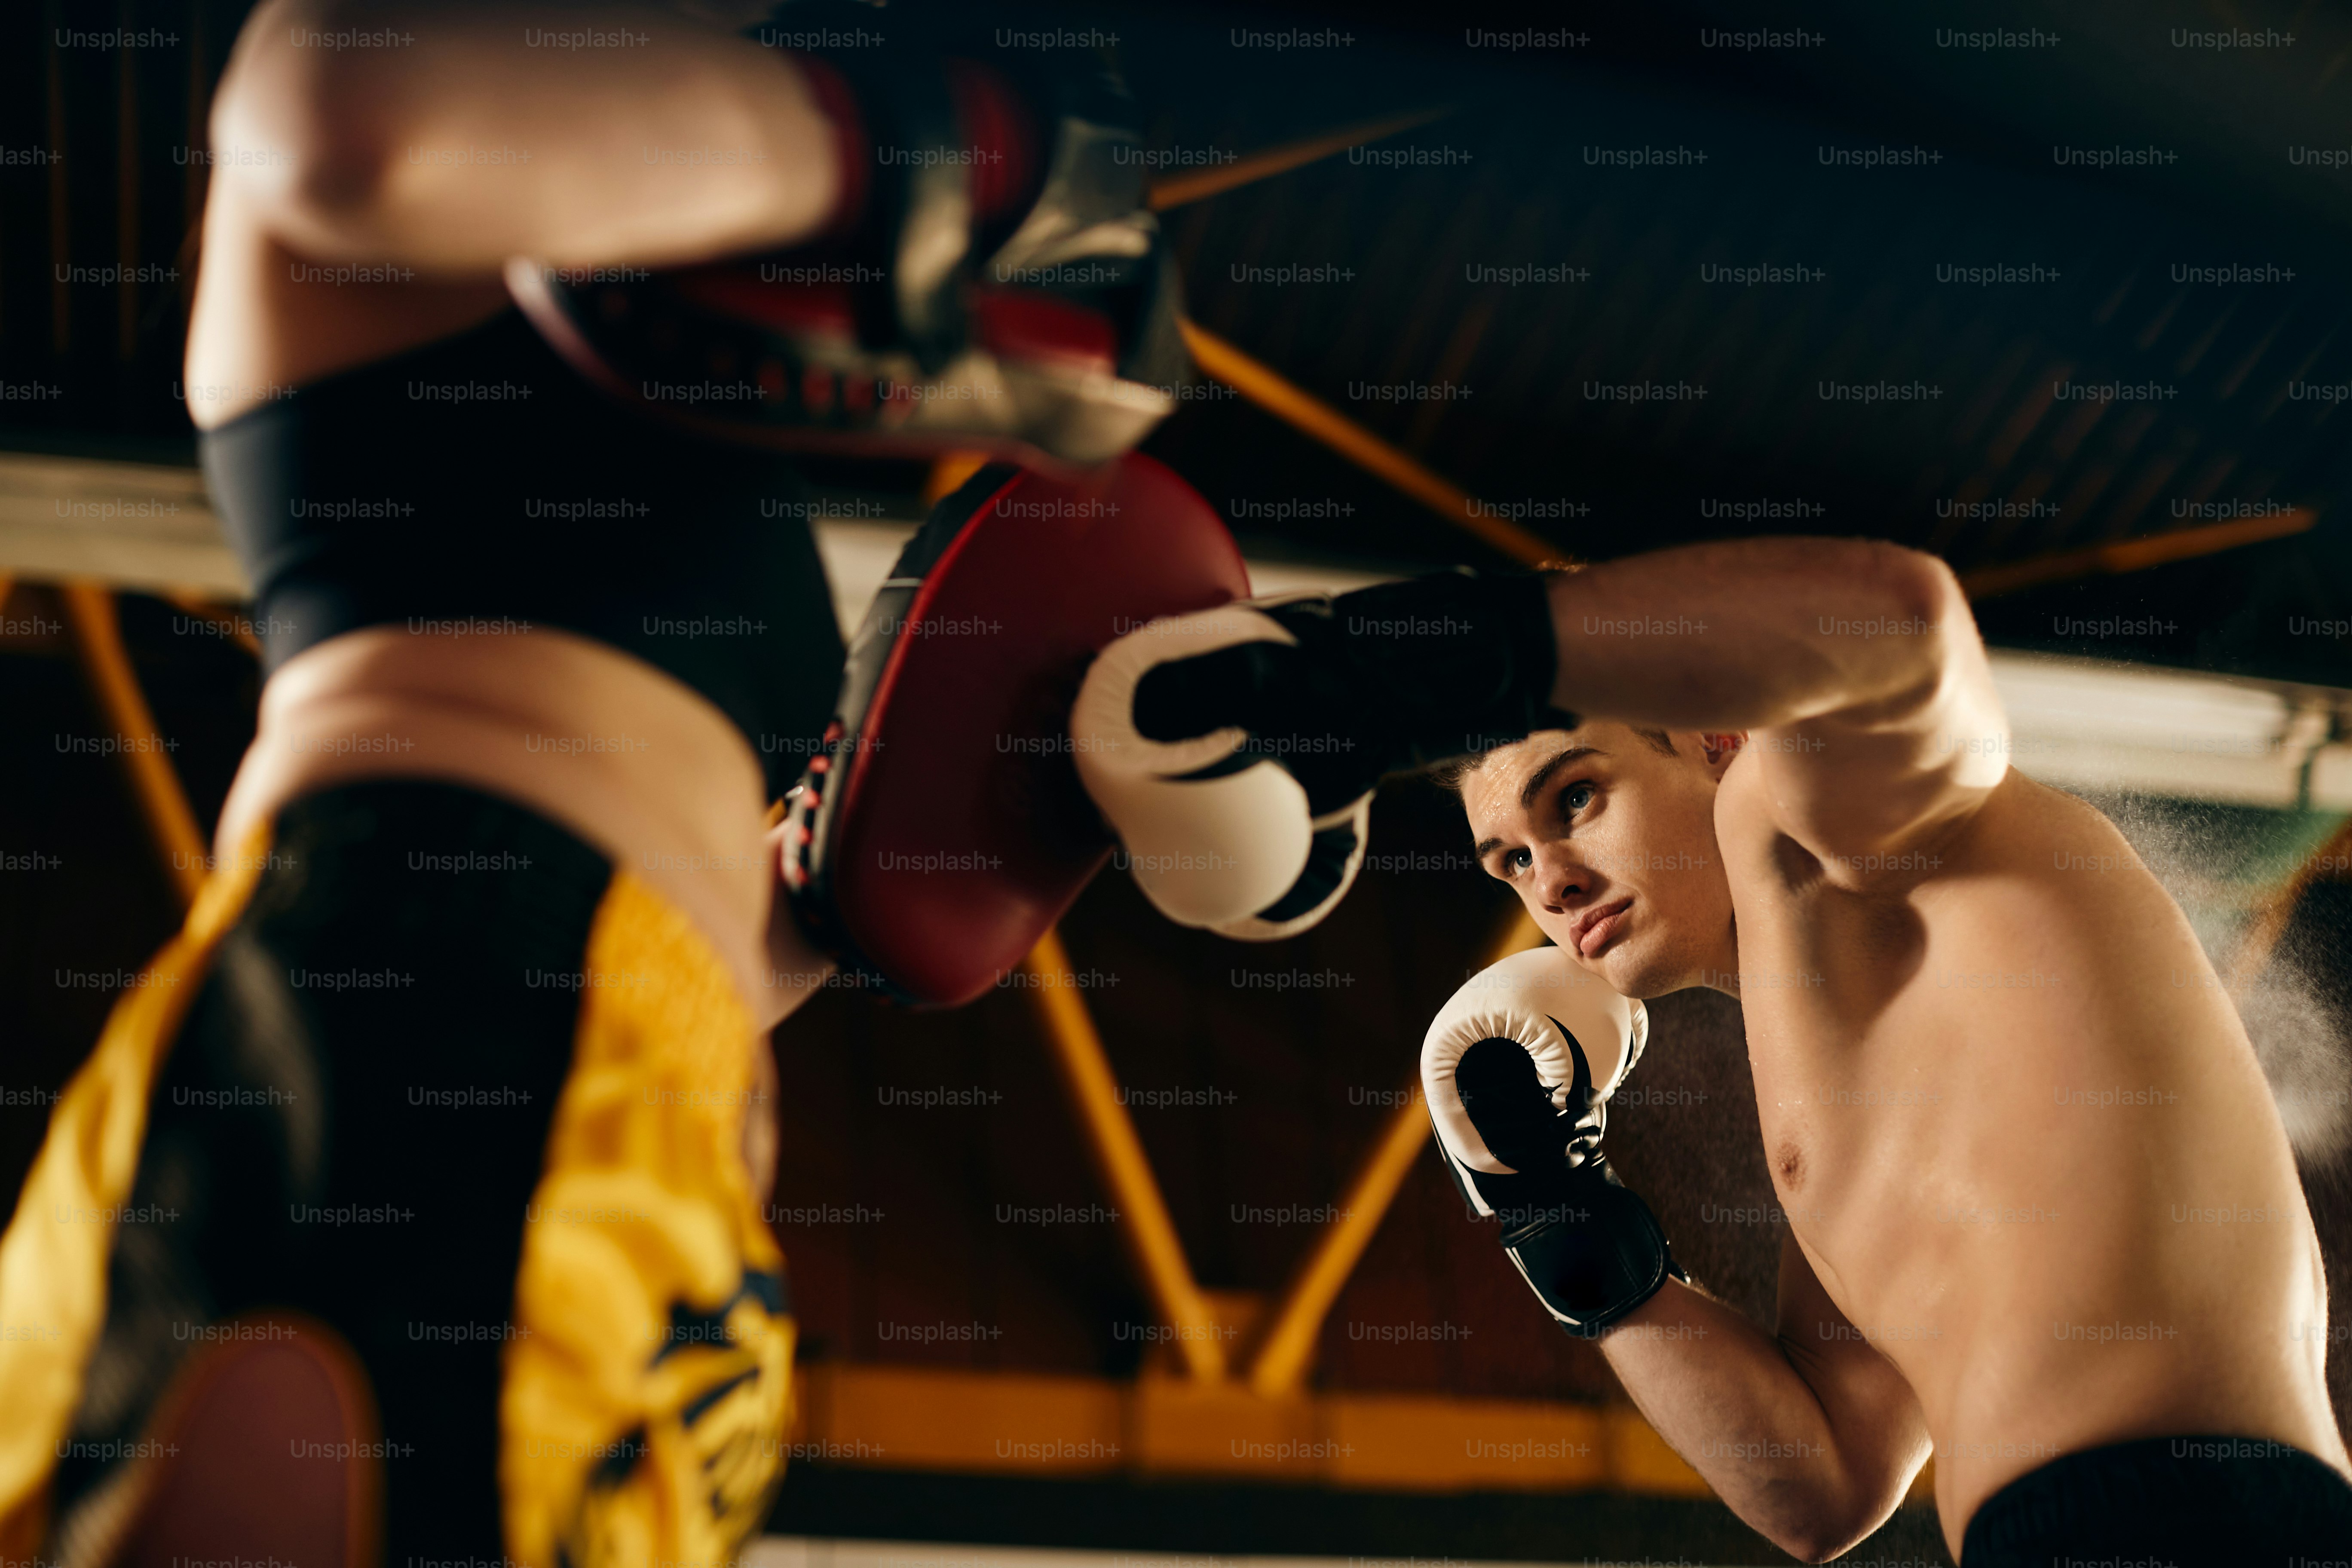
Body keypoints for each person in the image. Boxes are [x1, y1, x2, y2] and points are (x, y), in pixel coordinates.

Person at [0, 0, 1179, 1560]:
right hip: (604, 1181)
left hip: (434, 972)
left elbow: (337, 124)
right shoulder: (545, 264)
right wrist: (930, 861)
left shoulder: (405, 304)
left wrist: (950, 148)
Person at [1078, 539, 2352, 1563]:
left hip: (2202, 1515)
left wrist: (1365, 672)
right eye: (1509, 860)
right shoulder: (1838, 1065)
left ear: (1721, 738)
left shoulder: (1842, 820)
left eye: (1577, 797)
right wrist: (1557, 1214)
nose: (1549, 882)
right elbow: (1823, 1486)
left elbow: (1900, 618)